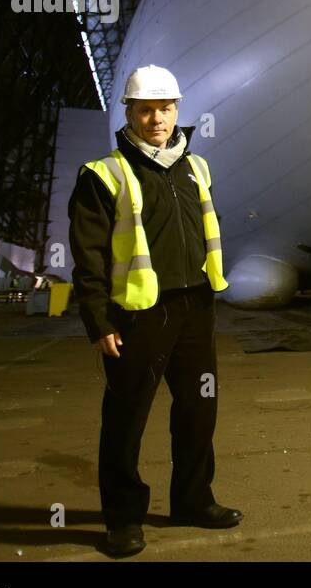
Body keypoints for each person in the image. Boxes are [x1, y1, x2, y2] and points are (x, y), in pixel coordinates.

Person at [68, 64, 241, 558]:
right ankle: (123, 519)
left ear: (176, 111)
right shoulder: (105, 175)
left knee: (198, 411)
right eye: (145, 109)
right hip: (138, 314)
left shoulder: (195, 166)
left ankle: (192, 500)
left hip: (195, 308)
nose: (156, 119)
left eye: (165, 108)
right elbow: (90, 257)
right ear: (129, 112)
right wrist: (98, 321)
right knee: (126, 418)